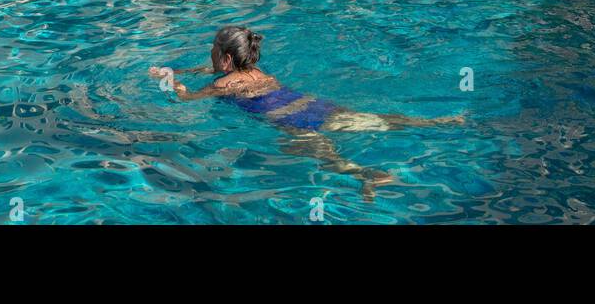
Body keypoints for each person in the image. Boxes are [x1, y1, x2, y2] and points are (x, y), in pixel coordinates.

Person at [149, 25, 462, 199]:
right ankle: (437, 122)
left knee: (330, 157)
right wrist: (179, 68)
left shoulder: (222, 86)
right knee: (376, 121)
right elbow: (209, 69)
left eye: (213, 49)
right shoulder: (257, 72)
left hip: (288, 120)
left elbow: (187, 99)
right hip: (311, 105)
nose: (210, 54)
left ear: (226, 58)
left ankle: (367, 175)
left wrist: (173, 81)